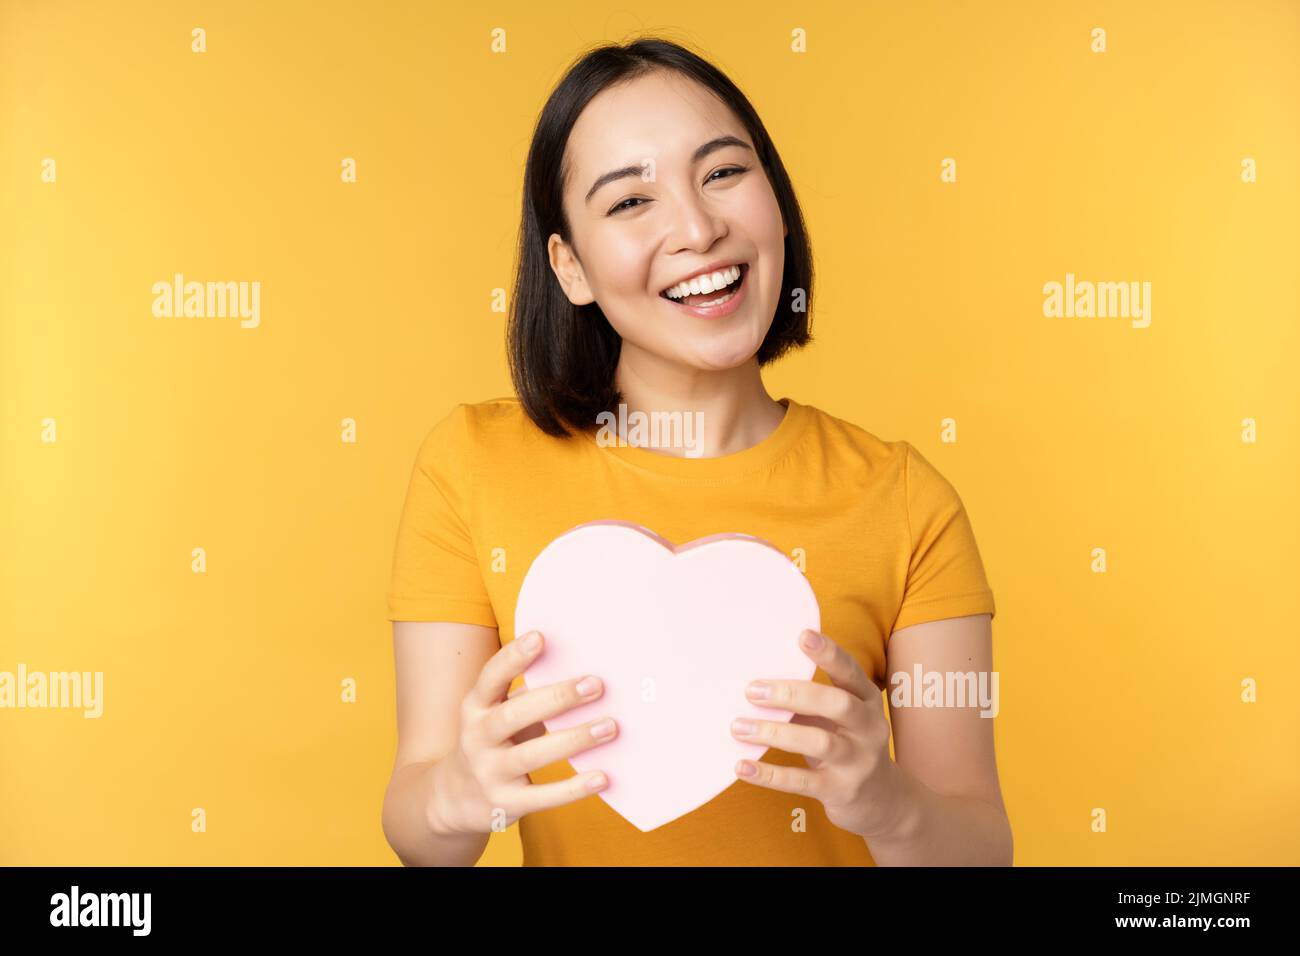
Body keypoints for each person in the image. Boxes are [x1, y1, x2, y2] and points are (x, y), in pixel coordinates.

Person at [381, 37, 1012, 866]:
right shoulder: (470, 464)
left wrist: (888, 805)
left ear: (775, 200)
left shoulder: (903, 498)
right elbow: (422, 831)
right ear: (569, 267)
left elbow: (980, 849)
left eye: (722, 173)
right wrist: (461, 792)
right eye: (630, 202)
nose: (698, 227)